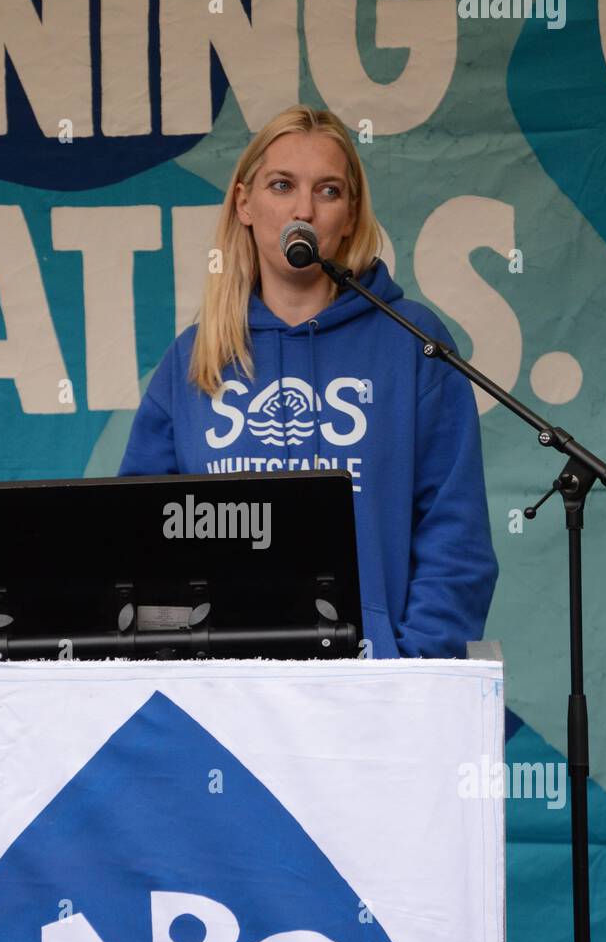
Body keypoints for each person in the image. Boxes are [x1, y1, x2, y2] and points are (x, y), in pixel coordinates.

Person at [119, 104, 498, 658]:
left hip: (376, 690)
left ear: (350, 214)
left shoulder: (410, 340)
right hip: (226, 692)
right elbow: (139, 542)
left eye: (328, 191)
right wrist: (188, 663)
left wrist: (413, 667)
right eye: (282, 185)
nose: (304, 208)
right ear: (244, 203)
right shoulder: (193, 359)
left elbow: (454, 535)